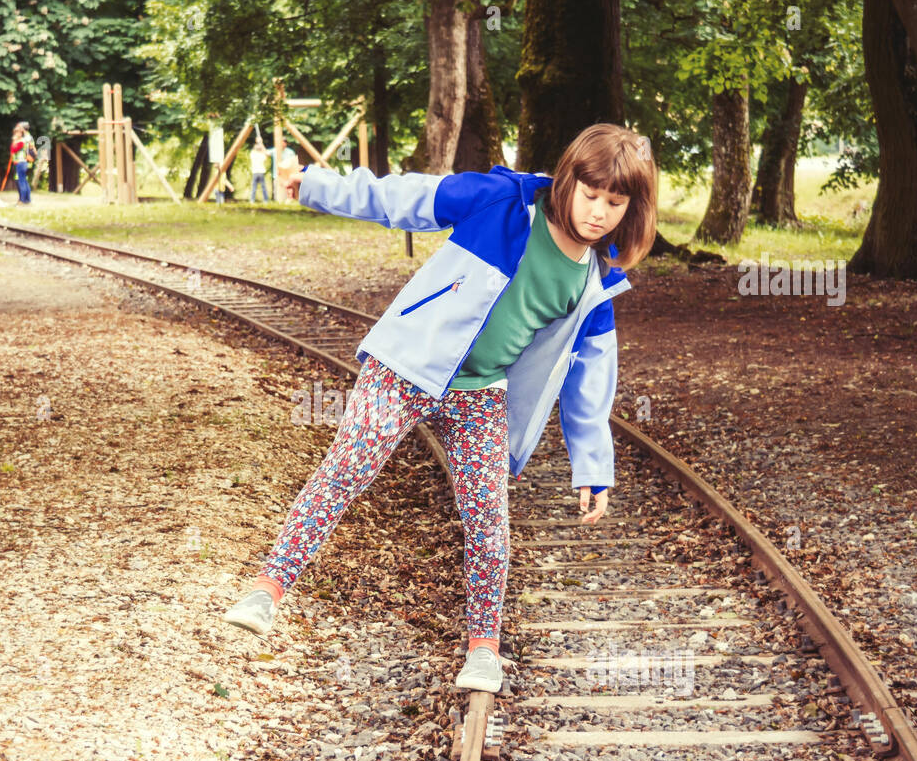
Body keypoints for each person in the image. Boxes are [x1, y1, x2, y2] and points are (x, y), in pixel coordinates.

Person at [222, 123, 658, 693]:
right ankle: (267, 590)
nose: (599, 212)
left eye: (614, 203)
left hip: (480, 392)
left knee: (487, 519)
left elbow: (591, 375)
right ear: (568, 179)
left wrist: (593, 465)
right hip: (406, 365)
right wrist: (316, 186)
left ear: (632, 208)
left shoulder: (600, 275)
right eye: (590, 194)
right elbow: (404, 197)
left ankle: (483, 648)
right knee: (346, 470)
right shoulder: (502, 201)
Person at [9, 125, 31, 206]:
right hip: (22, 163)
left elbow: (13, 150)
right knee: (23, 181)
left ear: (21, 133)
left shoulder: (21, 141)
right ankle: (27, 200)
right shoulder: (21, 141)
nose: (15, 134)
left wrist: (14, 141)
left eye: (17, 132)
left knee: (21, 181)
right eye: (15, 133)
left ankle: (22, 200)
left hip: (21, 163)